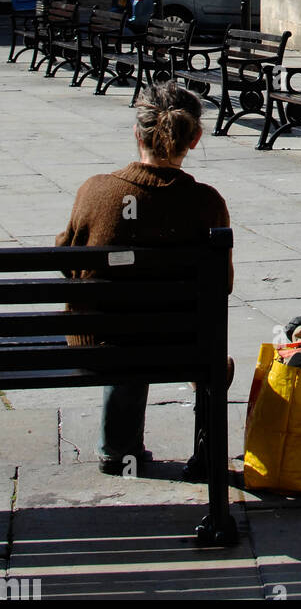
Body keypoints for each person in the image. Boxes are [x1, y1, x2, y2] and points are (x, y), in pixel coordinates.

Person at [55, 82, 232, 475]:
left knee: (122, 322)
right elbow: (223, 283)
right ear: (196, 137)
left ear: (137, 132)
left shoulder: (96, 192)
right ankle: (206, 455)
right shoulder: (207, 203)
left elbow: (69, 262)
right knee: (169, 327)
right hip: (183, 345)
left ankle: (119, 450)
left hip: (102, 343)